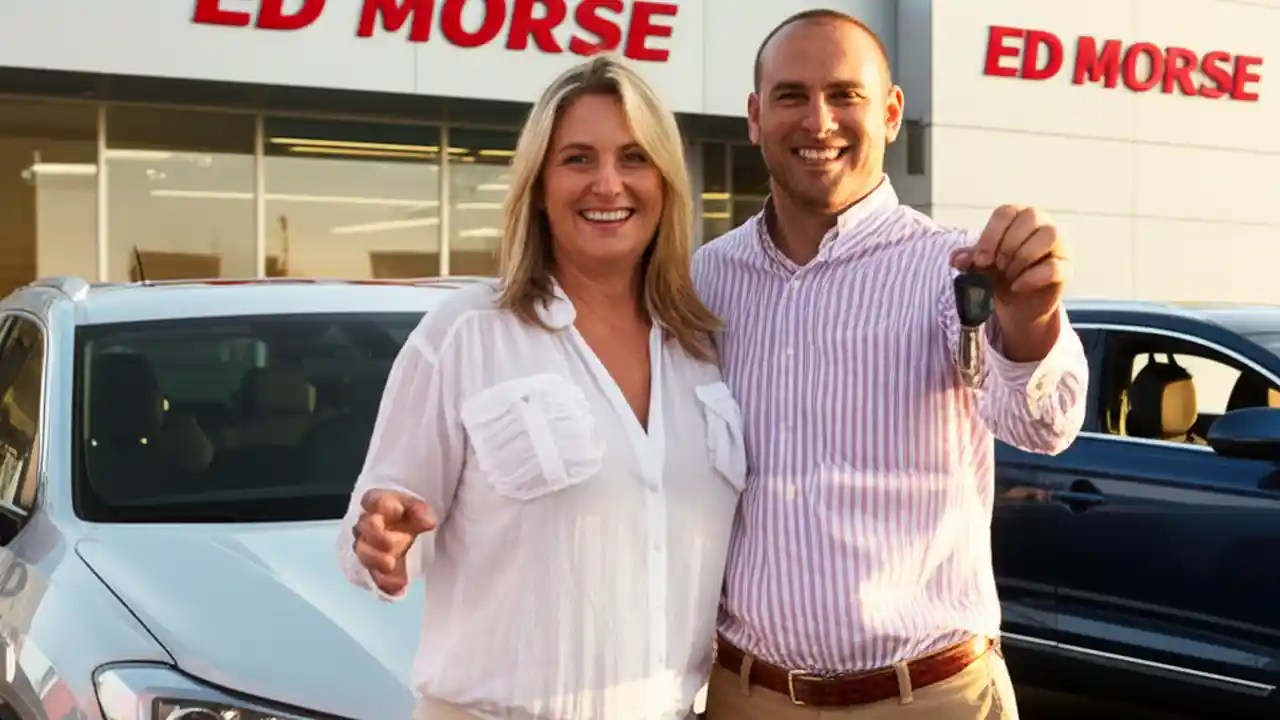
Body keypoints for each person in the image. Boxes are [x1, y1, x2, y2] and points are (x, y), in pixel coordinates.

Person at [692, 9, 1089, 719]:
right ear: (754, 116)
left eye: (846, 95)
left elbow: (1042, 425)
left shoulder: (953, 269)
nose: (818, 122)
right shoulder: (708, 280)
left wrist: (1028, 322)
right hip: (747, 695)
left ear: (892, 112)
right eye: (791, 96)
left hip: (928, 697)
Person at [335, 53, 748, 720]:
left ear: (667, 182)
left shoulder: (703, 349)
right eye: (578, 159)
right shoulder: (466, 334)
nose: (608, 184)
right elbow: (379, 523)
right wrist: (380, 542)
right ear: (538, 185)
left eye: (634, 158)